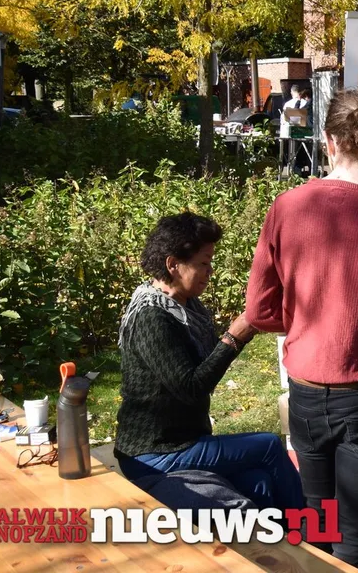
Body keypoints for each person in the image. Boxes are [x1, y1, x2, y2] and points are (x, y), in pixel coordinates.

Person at [245, 89, 358, 571]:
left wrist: (306, 322)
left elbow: (260, 310)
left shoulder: (285, 207)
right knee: (354, 537)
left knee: (317, 522)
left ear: (328, 141)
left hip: (307, 389)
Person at [114, 212, 304, 511]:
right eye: (203, 263)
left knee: (259, 482)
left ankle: (279, 545)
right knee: (268, 444)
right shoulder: (153, 317)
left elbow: (201, 369)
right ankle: (311, 530)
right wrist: (235, 337)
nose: (210, 271)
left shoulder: (184, 304)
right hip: (154, 454)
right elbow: (192, 387)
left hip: (185, 442)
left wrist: (240, 334)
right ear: (173, 264)